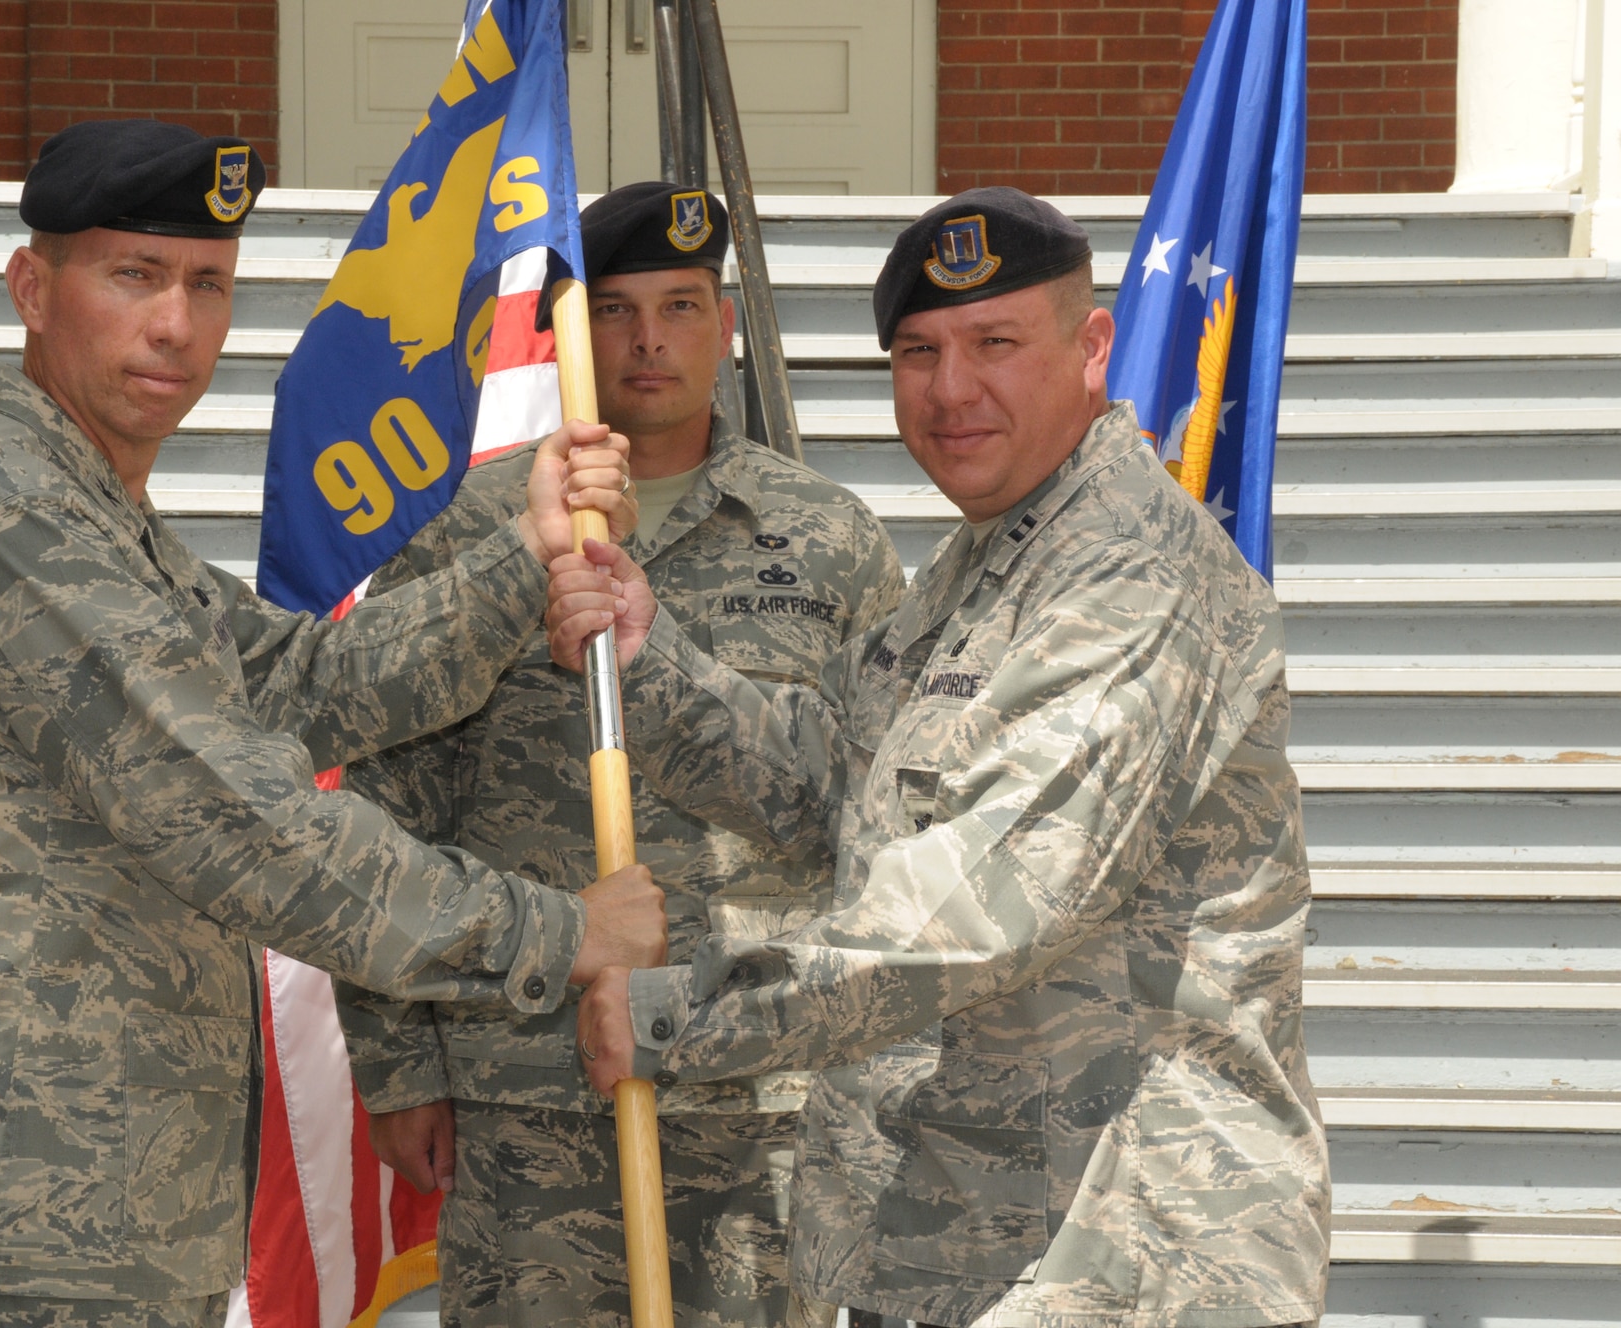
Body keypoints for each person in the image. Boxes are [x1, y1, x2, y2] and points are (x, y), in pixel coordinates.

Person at [0, 120, 665, 1328]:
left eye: (206, 282)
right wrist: (557, 931)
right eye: (132, 274)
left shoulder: (95, 519)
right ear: (30, 286)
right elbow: (251, 826)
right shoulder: (11, 526)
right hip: (25, 1222)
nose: (175, 324)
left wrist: (524, 555)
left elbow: (297, 680)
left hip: (101, 1206)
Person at [553, 188, 1331, 1328]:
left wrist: (680, 1013)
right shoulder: (985, 568)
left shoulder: (1129, 577)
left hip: (1122, 1254)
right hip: (964, 1244)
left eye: (995, 343)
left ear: (1092, 348)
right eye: (917, 352)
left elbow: (980, 903)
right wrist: (651, 654)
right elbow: (841, 786)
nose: (950, 389)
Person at [333, 181, 905, 1327]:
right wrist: (397, 1063)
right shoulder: (484, 530)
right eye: (617, 311)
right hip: (530, 1091)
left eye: (682, 307)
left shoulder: (827, 538)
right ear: (569, 338)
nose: (649, 341)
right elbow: (384, 805)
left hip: (757, 1099)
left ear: (726, 327)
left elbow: (879, 813)